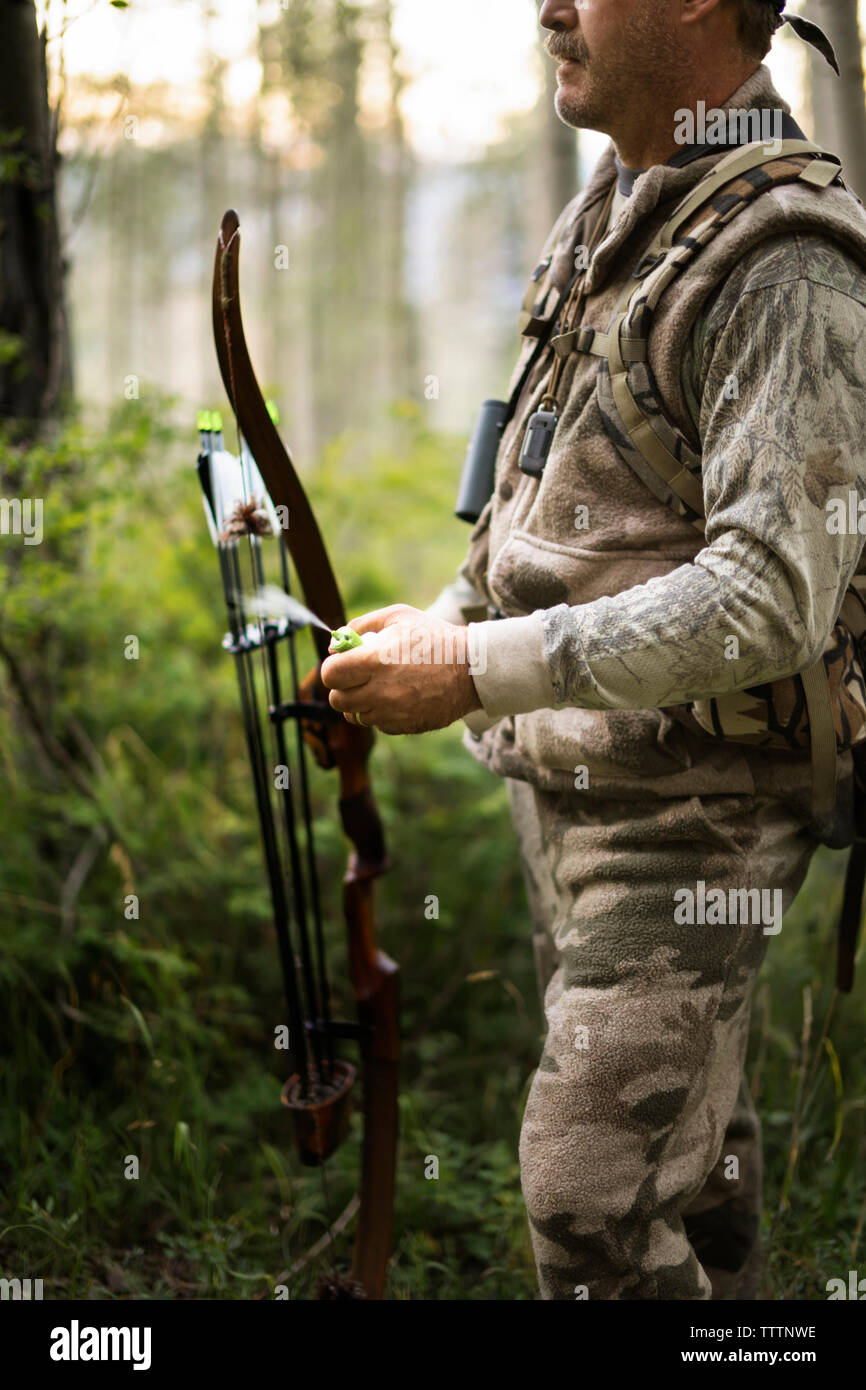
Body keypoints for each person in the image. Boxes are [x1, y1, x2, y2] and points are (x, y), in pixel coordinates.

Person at [320, 0, 866, 1300]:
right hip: (577, 784)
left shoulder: (784, 258)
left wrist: (469, 671)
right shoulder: (612, 214)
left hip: (694, 814)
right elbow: (544, 505)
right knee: (695, 1166)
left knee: (587, 1205)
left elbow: (765, 598)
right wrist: (442, 624)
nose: (547, 6)